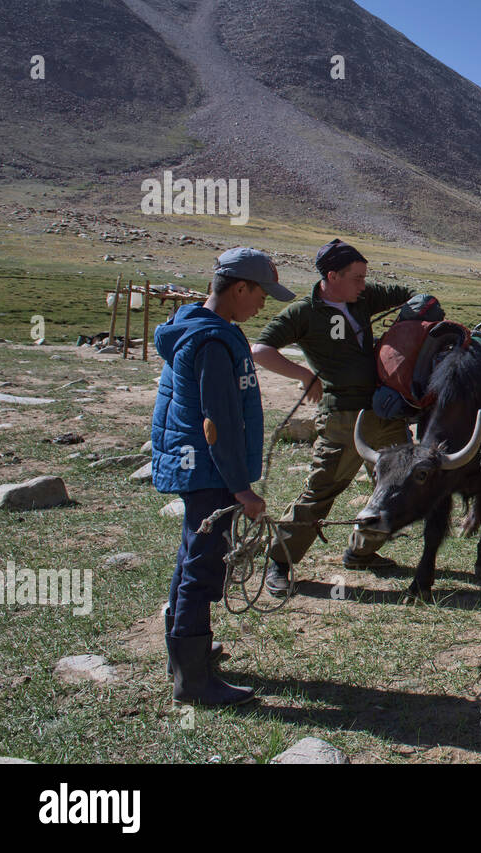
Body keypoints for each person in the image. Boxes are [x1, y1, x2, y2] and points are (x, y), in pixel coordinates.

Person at [153, 247, 295, 706]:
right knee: (203, 564)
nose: (262, 306)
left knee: (192, 553)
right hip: (211, 471)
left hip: (197, 466)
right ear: (239, 288)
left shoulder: (197, 326)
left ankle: (185, 651)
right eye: (261, 295)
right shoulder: (213, 342)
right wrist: (240, 488)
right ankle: (193, 681)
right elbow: (218, 424)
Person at [251, 239, 417, 595]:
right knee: (322, 490)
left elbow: (409, 294)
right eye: (356, 278)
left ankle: (361, 552)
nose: (363, 285)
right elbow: (261, 350)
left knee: (396, 488)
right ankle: (280, 561)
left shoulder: (364, 298)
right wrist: (304, 376)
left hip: (385, 411)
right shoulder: (303, 313)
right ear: (332, 276)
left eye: (364, 278)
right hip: (342, 417)